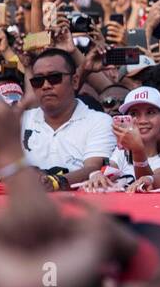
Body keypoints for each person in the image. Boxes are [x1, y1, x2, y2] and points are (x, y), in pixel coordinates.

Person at [19, 49, 116, 190]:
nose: (46, 86)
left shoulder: (100, 121)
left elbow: (93, 169)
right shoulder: (20, 121)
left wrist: (54, 182)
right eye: (38, 81)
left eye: (54, 78)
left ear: (75, 81)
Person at [85, 86, 160, 191]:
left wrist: (137, 150)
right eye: (134, 113)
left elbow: (150, 181)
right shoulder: (122, 151)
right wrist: (97, 175)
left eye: (150, 112)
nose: (142, 120)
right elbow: (109, 172)